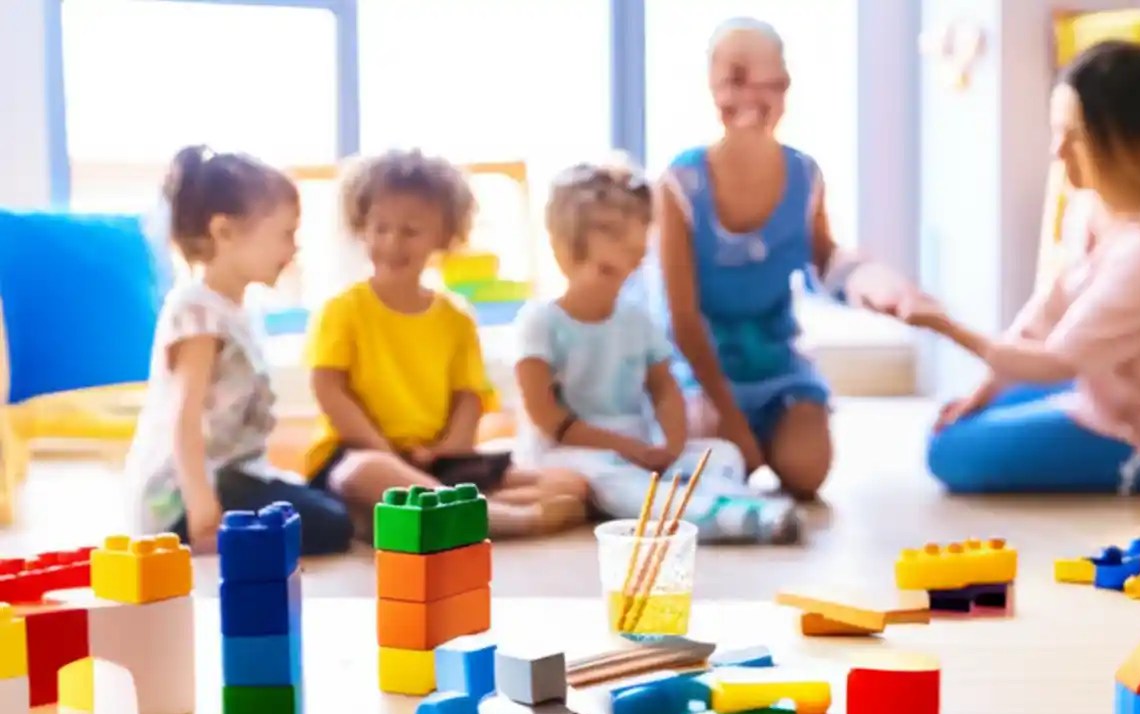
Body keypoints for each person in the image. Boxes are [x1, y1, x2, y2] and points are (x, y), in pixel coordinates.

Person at [911, 40, 1140, 494]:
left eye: (1074, 136)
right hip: (1108, 398)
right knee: (963, 419)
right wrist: (986, 390)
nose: (1057, 151)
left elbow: (1058, 360)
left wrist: (945, 325)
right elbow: (1046, 312)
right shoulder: (1097, 209)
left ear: (1127, 145)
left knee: (948, 452)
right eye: (1056, 132)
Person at [645, 17, 926, 500]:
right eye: (732, 79)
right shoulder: (680, 184)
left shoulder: (804, 174)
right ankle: (734, 438)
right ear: (712, 85)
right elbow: (682, 320)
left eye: (763, 82)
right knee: (710, 468)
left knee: (808, 472)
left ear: (785, 87)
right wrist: (733, 425)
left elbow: (824, 260)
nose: (747, 97)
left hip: (775, 365)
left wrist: (867, 278)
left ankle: (764, 439)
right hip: (702, 371)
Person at [304, 149, 589, 539]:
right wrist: (383, 449)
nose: (392, 242)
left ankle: (419, 515)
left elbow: (469, 398)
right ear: (361, 226)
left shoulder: (456, 317)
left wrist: (447, 450)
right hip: (363, 454)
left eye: (410, 231)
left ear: (443, 235)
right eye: (380, 228)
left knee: (570, 483)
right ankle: (506, 519)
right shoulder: (343, 309)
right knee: (364, 474)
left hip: (437, 462)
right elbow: (329, 390)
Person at [513, 159, 801, 544]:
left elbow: (665, 387)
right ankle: (726, 517)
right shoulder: (539, 322)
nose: (620, 283)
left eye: (632, 266)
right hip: (572, 452)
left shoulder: (636, 320)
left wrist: (672, 444)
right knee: (616, 480)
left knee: (723, 455)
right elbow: (548, 418)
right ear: (564, 253)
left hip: (639, 450)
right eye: (606, 270)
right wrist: (628, 448)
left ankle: (719, 499)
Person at [127, 145, 354, 554]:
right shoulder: (197, 309)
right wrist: (200, 507)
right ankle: (215, 541)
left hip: (232, 477)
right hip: (186, 495)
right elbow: (185, 418)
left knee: (329, 505)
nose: (294, 248)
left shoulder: (236, 310)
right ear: (224, 232)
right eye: (286, 234)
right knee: (331, 523)